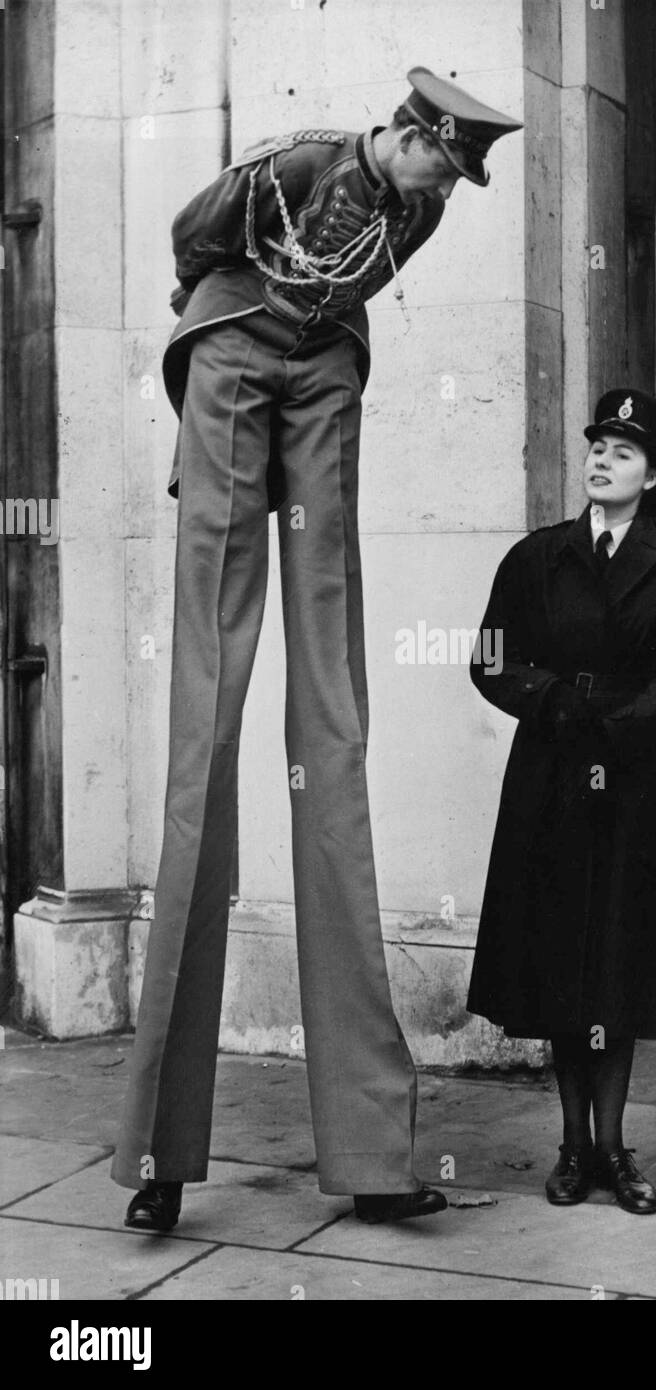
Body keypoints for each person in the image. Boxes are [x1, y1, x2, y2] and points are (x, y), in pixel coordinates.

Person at [111, 66, 522, 1231]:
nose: (436, 183)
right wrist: (227, 331)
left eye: (450, 173)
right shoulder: (292, 163)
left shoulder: (422, 208)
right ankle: (159, 1148)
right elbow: (195, 244)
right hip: (234, 354)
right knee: (208, 720)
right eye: (431, 159)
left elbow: (364, 275)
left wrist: (312, 337)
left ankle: (373, 1154)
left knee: (331, 723)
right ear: (397, 132)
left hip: (326, 374)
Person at [466, 388, 656, 1214]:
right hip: (552, 781)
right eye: (597, 445)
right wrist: (552, 702)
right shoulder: (536, 558)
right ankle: (573, 1148)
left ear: (654, 477)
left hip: (640, 788)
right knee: (558, 962)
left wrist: (614, 727)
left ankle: (611, 1148)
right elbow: (492, 659)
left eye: (623, 450)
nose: (602, 458)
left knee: (619, 965)